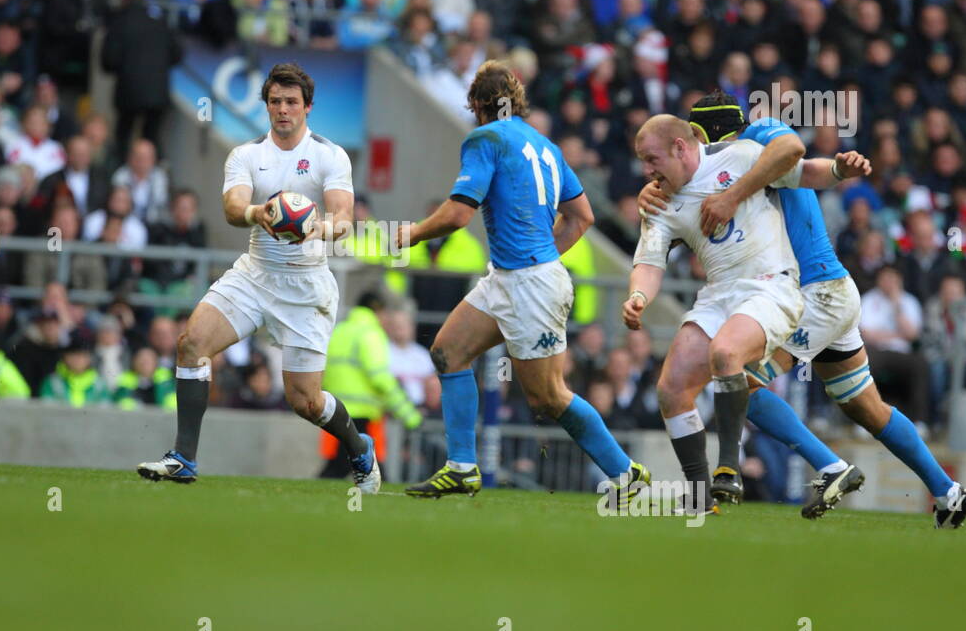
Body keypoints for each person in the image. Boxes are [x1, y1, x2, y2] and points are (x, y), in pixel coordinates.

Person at [642, 91, 966, 527]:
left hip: (811, 293)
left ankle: (831, 467)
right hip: (827, 292)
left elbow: (794, 150)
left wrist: (831, 170)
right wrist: (652, 189)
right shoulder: (719, 169)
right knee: (867, 409)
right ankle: (948, 492)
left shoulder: (760, 137)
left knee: (741, 382)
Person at [393, 60, 650, 500]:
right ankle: (461, 468)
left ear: (476, 104)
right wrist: (543, 256)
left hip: (531, 283)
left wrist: (411, 234)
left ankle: (626, 474)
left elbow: (458, 214)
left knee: (548, 397)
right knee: (447, 352)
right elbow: (582, 216)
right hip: (509, 277)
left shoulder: (484, 138)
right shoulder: (547, 147)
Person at [136, 63, 380, 492]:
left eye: (291, 102)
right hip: (255, 274)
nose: (282, 110)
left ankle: (359, 447)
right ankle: (184, 459)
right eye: (274, 102)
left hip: (306, 287)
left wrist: (318, 227)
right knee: (191, 343)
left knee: (305, 401)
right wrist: (258, 213)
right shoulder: (246, 155)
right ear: (266, 105)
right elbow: (233, 207)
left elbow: (343, 215)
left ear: (307, 107)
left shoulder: (330, 155)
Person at [624, 113, 868, 512]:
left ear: (680, 147)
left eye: (651, 159)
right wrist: (638, 296)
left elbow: (806, 171)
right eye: (642, 161)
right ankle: (701, 494)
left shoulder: (740, 157)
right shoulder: (660, 200)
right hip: (718, 295)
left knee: (726, 353)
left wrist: (841, 168)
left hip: (771, 287)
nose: (646, 171)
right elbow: (650, 262)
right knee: (671, 389)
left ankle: (728, 470)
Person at [318, 291, 423, 478]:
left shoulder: (340, 330)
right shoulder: (371, 334)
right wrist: (410, 416)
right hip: (360, 412)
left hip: (336, 409)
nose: (386, 320)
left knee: (347, 463)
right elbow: (380, 379)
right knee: (351, 464)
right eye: (385, 314)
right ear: (378, 310)